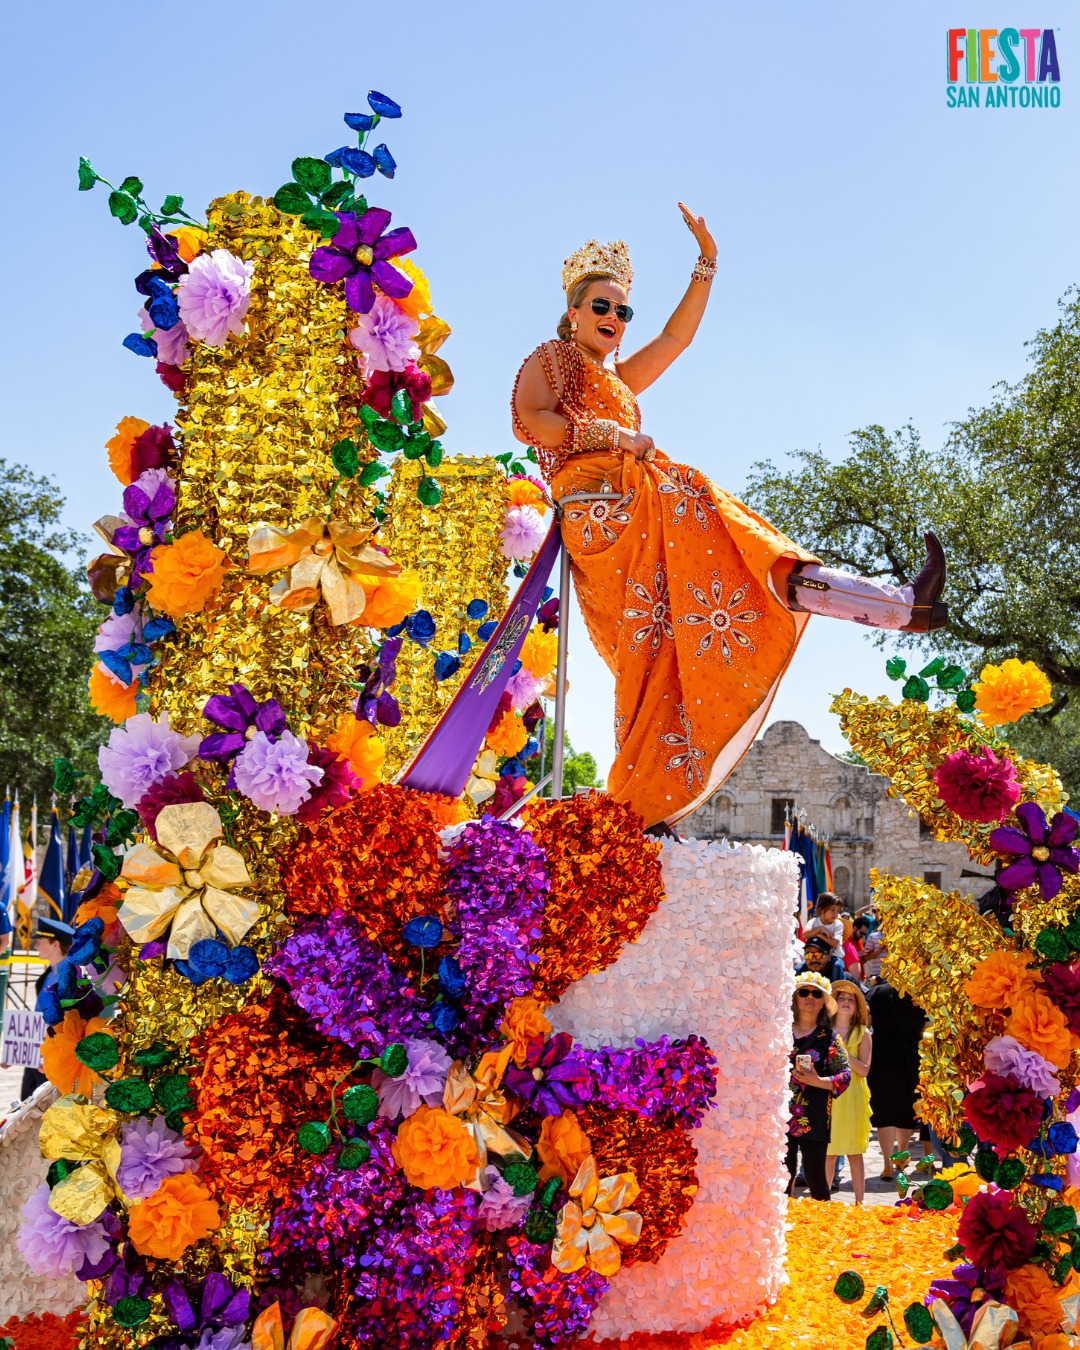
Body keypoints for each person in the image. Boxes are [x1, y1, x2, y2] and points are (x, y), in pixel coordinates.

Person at [510, 219, 949, 828]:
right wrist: (611, 434)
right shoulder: (555, 359)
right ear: (574, 313)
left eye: (623, 310)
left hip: (641, 500)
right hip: (604, 514)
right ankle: (643, 801)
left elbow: (674, 337)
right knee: (692, 562)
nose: (615, 317)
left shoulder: (616, 379)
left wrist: (707, 262)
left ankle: (898, 608)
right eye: (602, 305)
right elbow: (532, 420)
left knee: (727, 586)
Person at [786, 972, 851, 1201]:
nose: (810, 998)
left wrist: (818, 1081)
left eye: (816, 994)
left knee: (815, 1176)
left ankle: (822, 1229)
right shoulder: (780, 1033)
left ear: (823, 1001)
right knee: (783, 1174)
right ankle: (780, 1225)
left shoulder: (830, 1038)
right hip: (780, 1115)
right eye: (804, 992)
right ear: (795, 998)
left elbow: (844, 1076)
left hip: (814, 1114)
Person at [866, 979, 926, 1180]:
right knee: (906, 1108)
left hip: (881, 1054)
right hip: (912, 1053)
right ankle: (900, 1156)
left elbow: (866, 1022)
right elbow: (928, 1024)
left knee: (884, 1110)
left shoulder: (876, 992)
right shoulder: (919, 991)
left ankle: (886, 1163)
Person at [825, 981, 873, 1203]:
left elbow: (864, 1070)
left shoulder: (862, 1033)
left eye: (851, 1000)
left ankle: (860, 1202)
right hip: (830, 1092)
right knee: (829, 1151)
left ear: (856, 1008)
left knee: (854, 1151)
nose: (845, 1002)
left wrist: (843, 1051)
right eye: (841, 998)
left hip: (853, 1094)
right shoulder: (824, 1031)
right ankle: (823, 1202)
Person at [19, 916, 74, 1099]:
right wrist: (18, 1053)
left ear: (55, 945)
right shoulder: (49, 973)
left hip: (54, 1057)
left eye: (40, 941)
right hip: (37, 1056)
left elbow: (70, 1022)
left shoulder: (72, 977)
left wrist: (53, 1057)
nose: (35, 946)